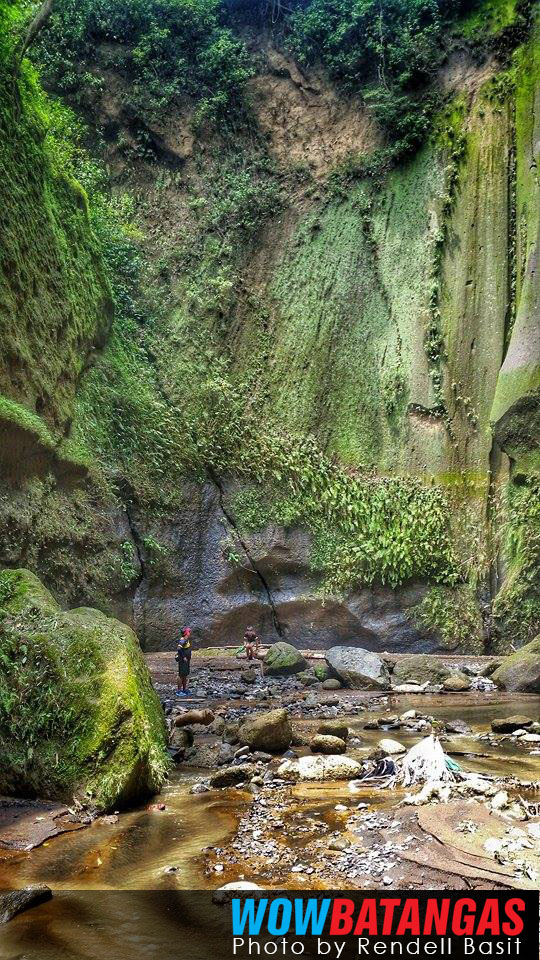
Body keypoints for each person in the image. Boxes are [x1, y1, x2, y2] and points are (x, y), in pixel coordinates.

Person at [175, 627, 193, 696]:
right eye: (189, 632)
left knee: (185, 674)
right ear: (186, 633)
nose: (190, 633)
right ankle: (179, 691)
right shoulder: (182, 640)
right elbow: (179, 648)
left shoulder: (186, 639)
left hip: (186, 660)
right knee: (181, 674)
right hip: (183, 660)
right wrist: (183, 657)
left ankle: (184, 689)